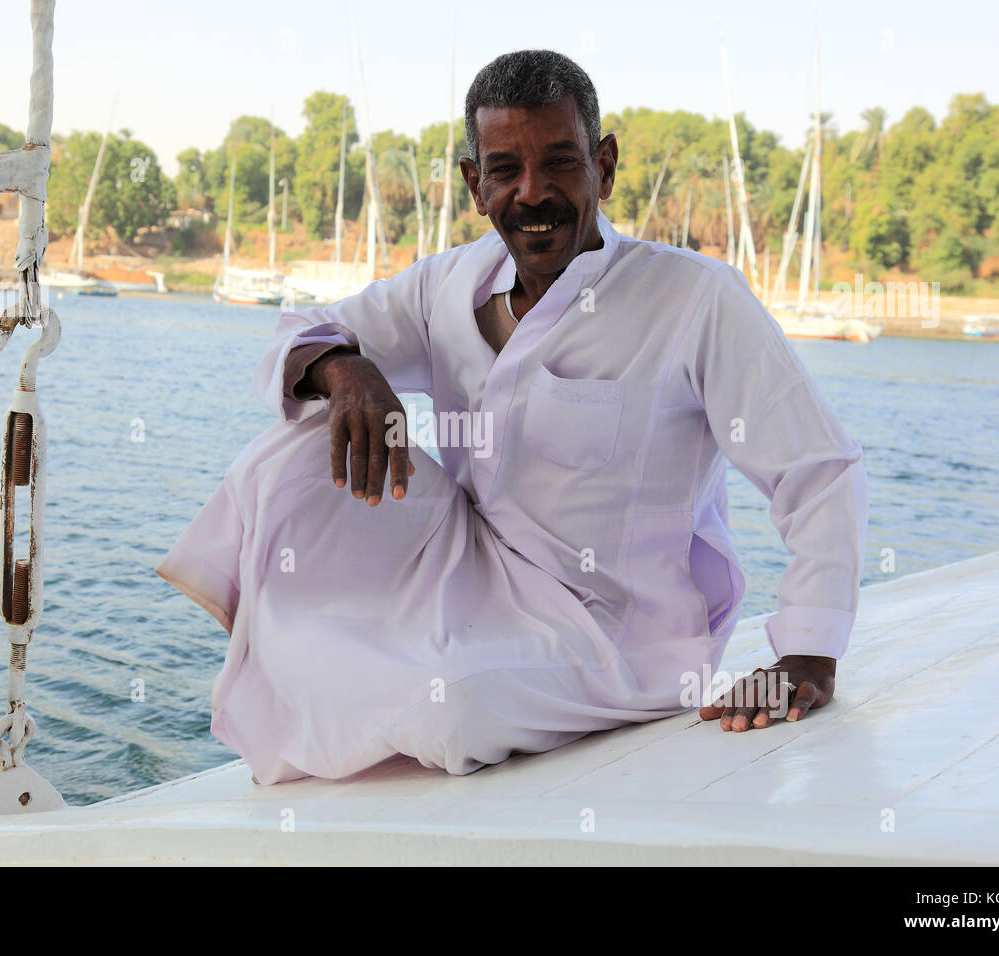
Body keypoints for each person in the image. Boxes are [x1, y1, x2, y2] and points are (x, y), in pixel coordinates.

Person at [157, 49, 869, 785]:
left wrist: (808, 653)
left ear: (606, 165)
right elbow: (297, 332)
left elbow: (819, 471)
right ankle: (299, 662)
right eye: (505, 170)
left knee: (453, 710)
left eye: (560, 162)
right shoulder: (448, 284)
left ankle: (346, 683)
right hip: (465, 567)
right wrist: (347, 370)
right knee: (298, 441)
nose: (534, 193)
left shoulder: (693, 298)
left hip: (612, 631)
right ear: (475, 182)